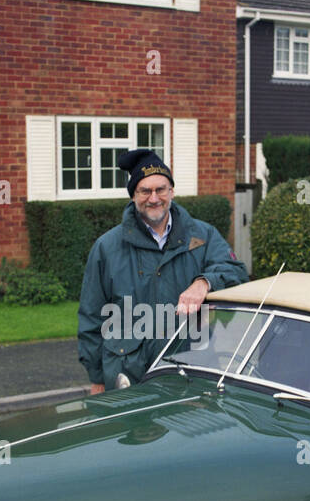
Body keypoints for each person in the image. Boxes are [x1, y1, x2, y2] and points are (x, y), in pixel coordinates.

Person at [78, 148, 247, 393]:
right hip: (127, 378)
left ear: (172, 192)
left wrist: (204, 283)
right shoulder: (107, 247)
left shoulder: (203, 235)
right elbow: (92, 316)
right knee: (130, 432)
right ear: (133, 196)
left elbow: (235, 271)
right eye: (145, 191)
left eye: (161, 189)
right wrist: (97, 379)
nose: (154, 198)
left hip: (189, 373)